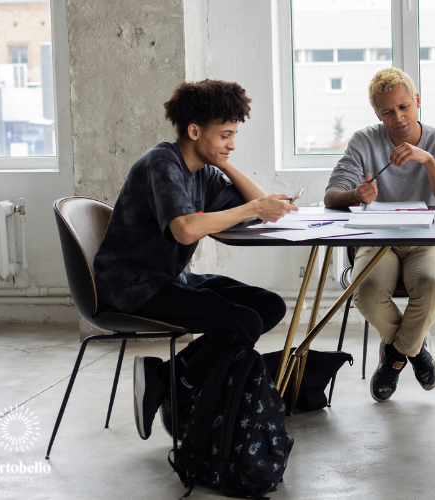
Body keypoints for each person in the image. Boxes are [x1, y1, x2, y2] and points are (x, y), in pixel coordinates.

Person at [93, 79, 297, 440]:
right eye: (225, 136)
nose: (232, 144)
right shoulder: (162, 163)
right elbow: (185, 229)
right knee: (242, 323)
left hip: (166, 278)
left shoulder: (201, 171)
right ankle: (179, 384)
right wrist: (252, 206)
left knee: (268, 307)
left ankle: (166, 377)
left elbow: (259, 209)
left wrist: (225, 164)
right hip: (131, 285)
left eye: (233, 135)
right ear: (193, 130)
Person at [324, 68, 435, 402]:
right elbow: (331, 196)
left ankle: (394, 357)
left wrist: (427, 160)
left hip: (427, 238)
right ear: (377, 113)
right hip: (376, 238)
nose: (398, 117)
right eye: (387, 111)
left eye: (403, 107)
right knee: (366, 291)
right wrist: (356, 195)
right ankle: (415, 350)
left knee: (430, 283)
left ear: (416, 101)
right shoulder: (363, 140)